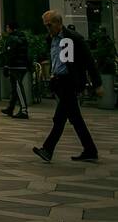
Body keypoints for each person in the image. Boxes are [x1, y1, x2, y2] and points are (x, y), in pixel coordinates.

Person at [33, 10, 100, 163]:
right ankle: (90, 149)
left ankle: (48, 149)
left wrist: (97, 84)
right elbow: (60, 60)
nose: (47, 28)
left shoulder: (73, 38)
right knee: (75, 118)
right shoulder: (52, 39)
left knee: (60, 118)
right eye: (45, 26)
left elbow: (89, 62)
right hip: (60, 82)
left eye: (49, 25)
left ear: (58, 23)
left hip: (69, 83)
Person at [2, 21, 31, 119]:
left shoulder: (11, 39)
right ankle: (11, 107)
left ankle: (23, 110)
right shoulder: (22, 37)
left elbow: (10, 53)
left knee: (17, 86)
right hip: (23, 65)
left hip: (15, 66)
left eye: (7, 27)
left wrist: (6, 65)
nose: (6, 29)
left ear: (10, 28)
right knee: (15, 87)